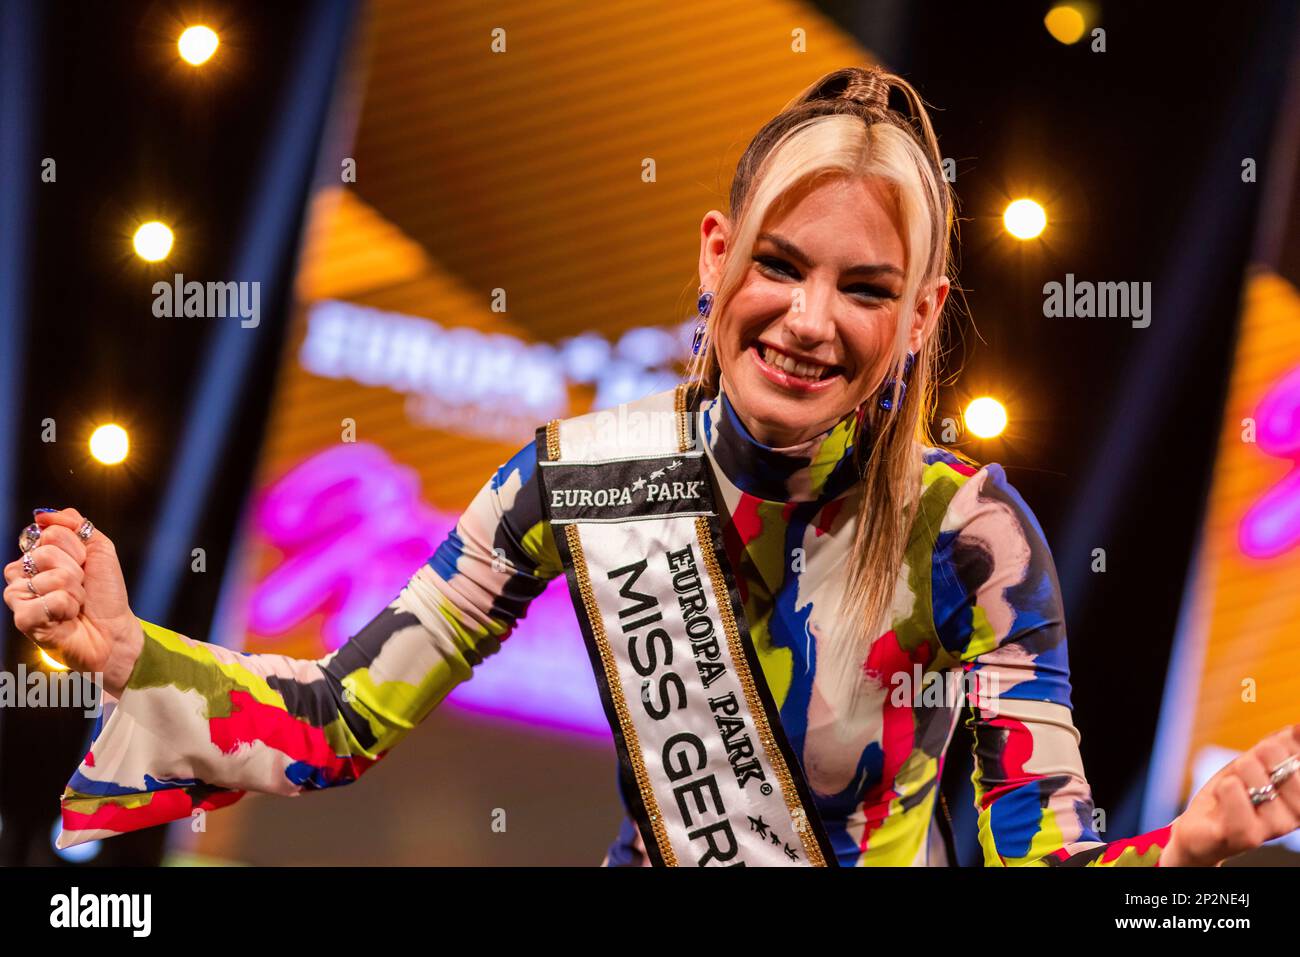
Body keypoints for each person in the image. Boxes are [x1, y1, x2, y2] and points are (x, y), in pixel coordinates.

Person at [6, 66, 1299, 867]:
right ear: (715, 254)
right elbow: (336, 723)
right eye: (782, 265)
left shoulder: (968, 533)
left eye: (865, 288)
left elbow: (1041, 862)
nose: (807, 318)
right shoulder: (581, 477)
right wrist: (125, 645)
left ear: (918, 317)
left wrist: (1181, 846)